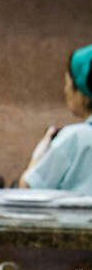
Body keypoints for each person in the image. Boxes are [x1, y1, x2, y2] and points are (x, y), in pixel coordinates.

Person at [20, 44, 92, 193]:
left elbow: (27, 188)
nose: (65, 92)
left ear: (81, 89)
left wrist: (39, 155)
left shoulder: (75, 138)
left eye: (67, 84)